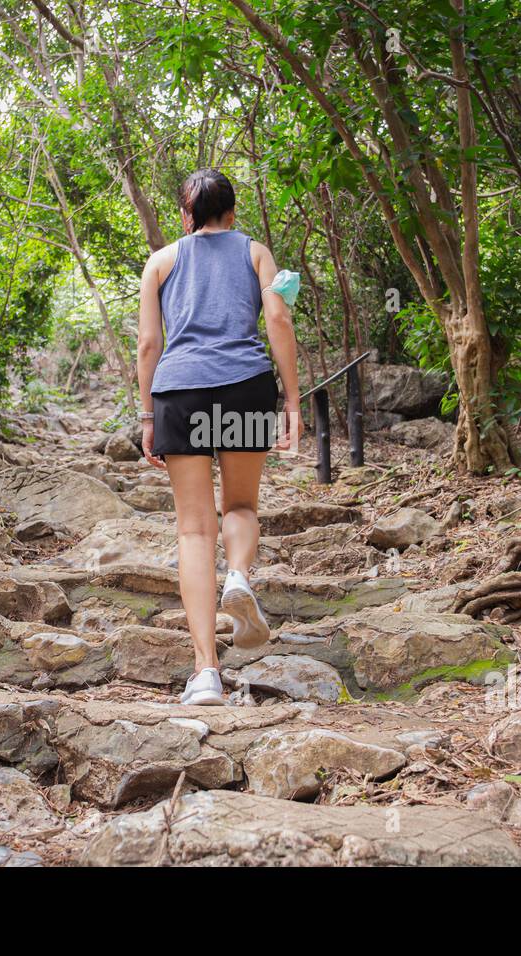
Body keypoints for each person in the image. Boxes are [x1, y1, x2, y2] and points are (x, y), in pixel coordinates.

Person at [136, 168, 301, 706]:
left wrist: (146, 418)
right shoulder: (255, 253)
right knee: (240, 507)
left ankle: (206, 671)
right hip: (245, 387)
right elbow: (276, 319)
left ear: (186, 215)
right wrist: (293, 400)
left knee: (191, 531)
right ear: (232, 212)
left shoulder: (161, 262)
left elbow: (147, 346)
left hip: (179, 392)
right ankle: (239, 575)